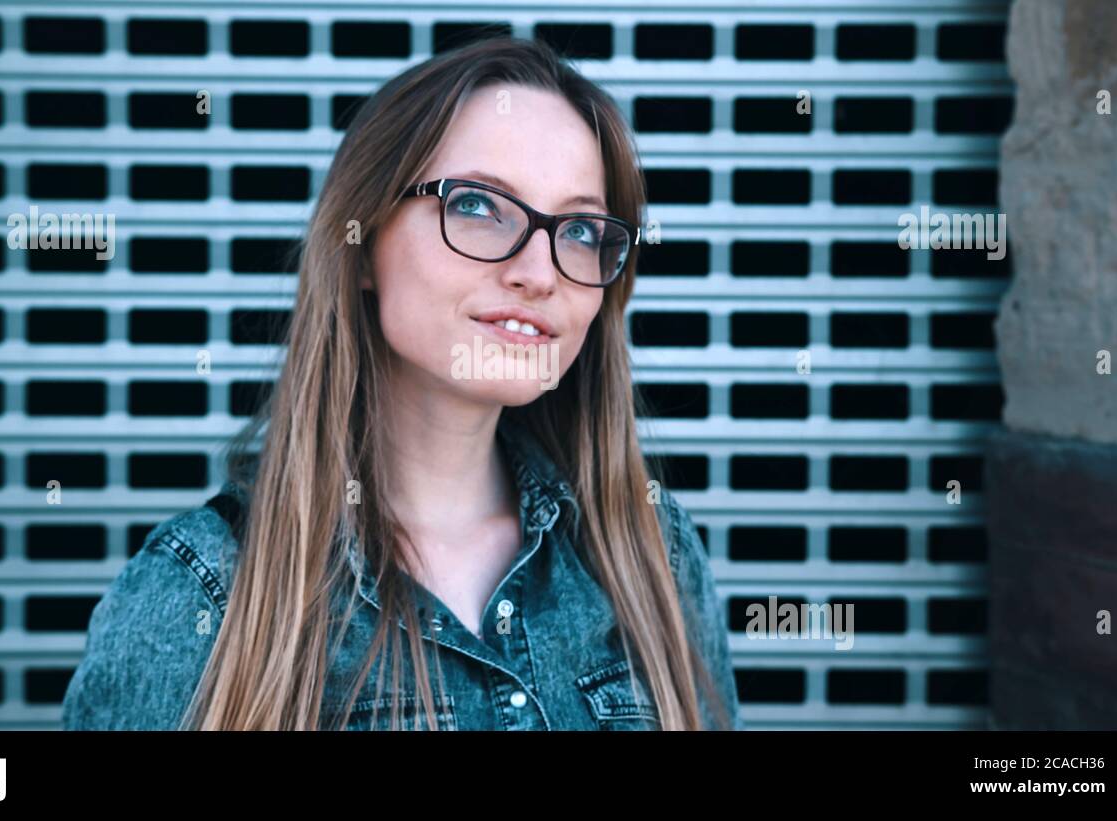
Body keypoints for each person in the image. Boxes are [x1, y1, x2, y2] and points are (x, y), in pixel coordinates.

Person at [62, 35, 741, 731]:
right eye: (477, 205)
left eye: (579, 229)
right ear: (362, 244)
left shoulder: (652, 554)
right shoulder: (203, 591)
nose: (540, 272)